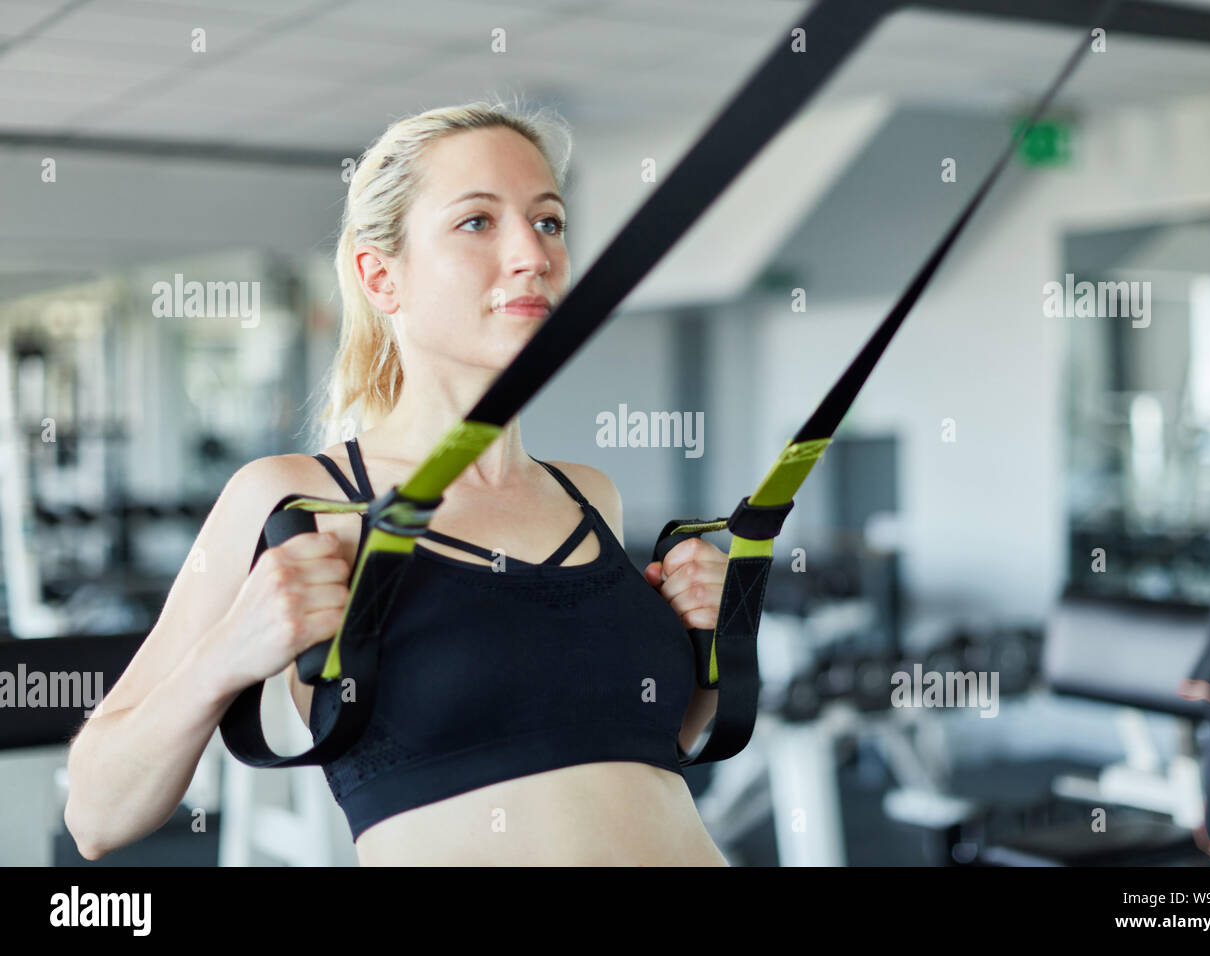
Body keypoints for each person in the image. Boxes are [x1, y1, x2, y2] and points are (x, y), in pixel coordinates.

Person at [64, 100, 730, 866]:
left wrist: (706, 647)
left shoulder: (590, 497)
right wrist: (228, 656)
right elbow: (96, 813)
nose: (533, 254)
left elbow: (632, 753)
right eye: (477, 222)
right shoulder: (293, 500)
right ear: (381, 276)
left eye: (548, 222)